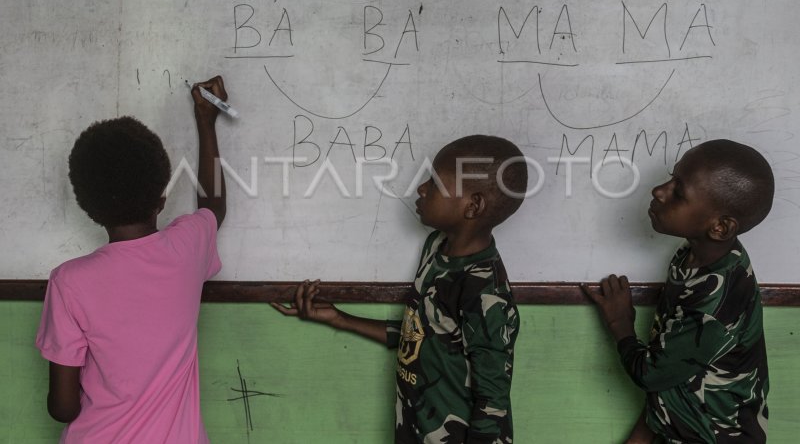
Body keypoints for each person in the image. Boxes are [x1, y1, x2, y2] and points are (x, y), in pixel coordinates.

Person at [273, 135, 528, 443]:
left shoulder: (486, 295)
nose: (421, 189)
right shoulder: (437, 247)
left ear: (472, 206)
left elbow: (493, 409)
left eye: (434, 182)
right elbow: (422, 335)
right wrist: (339, 318)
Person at [35, 76, 230, 443]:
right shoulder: (186, 249)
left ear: (90, 210)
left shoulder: (69, 281)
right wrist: (206, 121)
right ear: (161, 200)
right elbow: (213, 205)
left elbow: (63, 408)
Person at [583, 139, 774, 444]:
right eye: (671, 178)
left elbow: (652, 373)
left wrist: (620, 324)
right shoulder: (694, 257)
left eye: (678, 191)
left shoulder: (714, 305)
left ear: (720, 227)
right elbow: (674, 373)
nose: (659, 190)